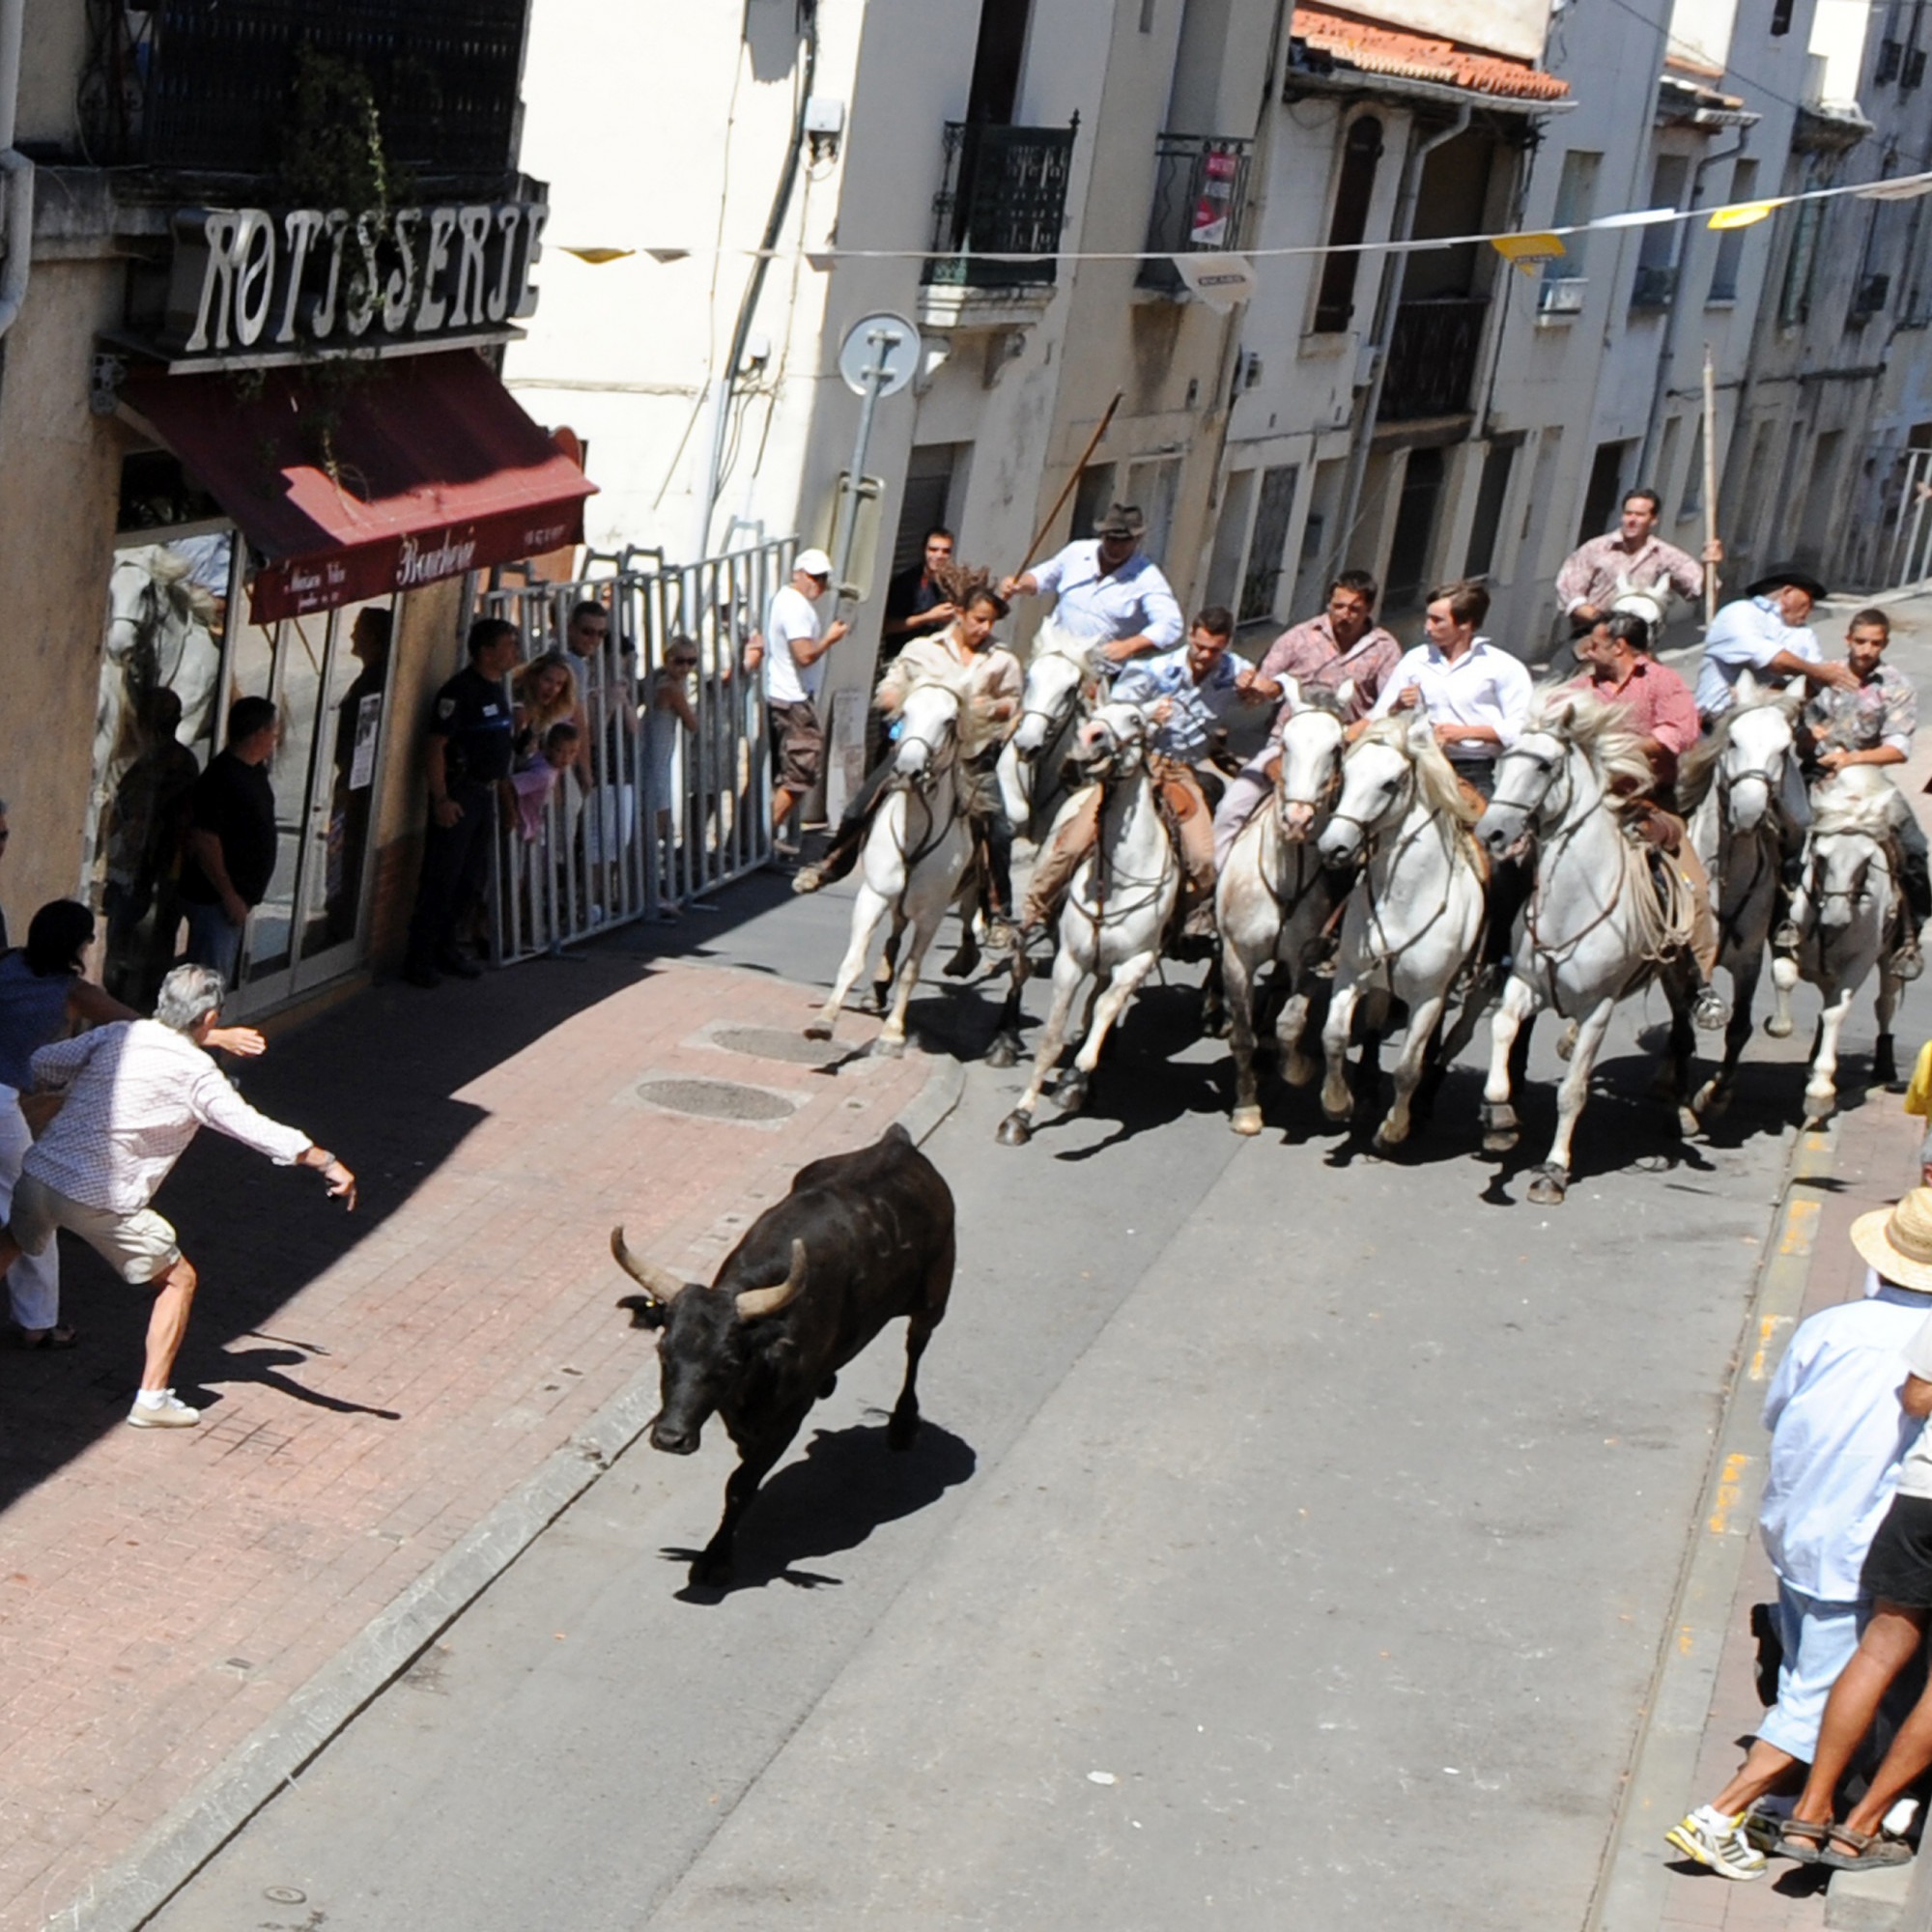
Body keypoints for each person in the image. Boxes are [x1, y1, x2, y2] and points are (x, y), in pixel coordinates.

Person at [1665, 1216, 1932, 1880]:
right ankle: (1721, 1812)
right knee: (1823, 1690)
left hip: (1796, 1523)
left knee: (1799, 1667)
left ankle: (1784, 1802)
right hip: (1859, 1541)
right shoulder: (1915, 1344)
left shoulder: (1830, 1326)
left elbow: (1778, 1409)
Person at [0, 962, 352, 1429]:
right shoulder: (197, 1075)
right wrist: (325, 1161)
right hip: (101, 1200)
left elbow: (43, 1064)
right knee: (177, 1281)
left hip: (40, 1176)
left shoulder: (119, 1035)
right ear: (208, 1019)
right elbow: (253, 1128)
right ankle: (152, 1399)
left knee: (13, 1242)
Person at [0, 901, 263, 1350]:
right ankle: (38, 1322)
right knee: (30, 1212)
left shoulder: (6, 963)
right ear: (75, 946)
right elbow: (142, 1027)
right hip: (1, 1103)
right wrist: (217, 1035)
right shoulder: (72, 991)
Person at [1775, 1192, 1932, 1875]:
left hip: (1921, 1498)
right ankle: (1862, 1826)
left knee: (1876, 1650)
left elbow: (1918, 1396)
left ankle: (1808, 1815)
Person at [793, 578, 1022, 916]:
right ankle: (832, 863)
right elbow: (891, 685)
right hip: (919, 747)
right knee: (861, 805)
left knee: (999, 828)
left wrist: (989, 707)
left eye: (990, 622)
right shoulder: (922, 650)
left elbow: (1013, 704)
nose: (985, 628)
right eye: (979, 619)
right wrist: (893, 698)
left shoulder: (1003, 660)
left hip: (970, 754)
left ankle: (999, 911)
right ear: (959, 613)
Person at [1021, 607, 1244, 946]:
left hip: (1181, 771)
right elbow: (1113, 716)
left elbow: (1276, 685)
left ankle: (1179, 919)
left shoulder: (1232, 671)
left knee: (1202, 860)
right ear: (1190, 637)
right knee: (1072, 845)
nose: (1204, 655)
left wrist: (1263, 687)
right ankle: (1032, 914)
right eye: (1199, 646)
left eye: (1214, 649)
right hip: (1136, 766)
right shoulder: (1150, 670)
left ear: (1225, 646)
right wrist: (1149, 714)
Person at [1566, 611, 1724, 1027]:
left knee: (1693, 892)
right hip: (1588, 801)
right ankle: (1498, 957)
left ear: (1619, 646)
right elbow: (1553, 718)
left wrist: (1620, 748)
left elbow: (1679, 733)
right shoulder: (1581, 686)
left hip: (1648, 803)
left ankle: (1698, 985)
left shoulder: (1662, 682)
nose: (1587, 650)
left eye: (1595, 643)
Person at [1215, 572, 1403, 866]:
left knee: (1368, 824)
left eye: (1354, 609)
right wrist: (1253, 688)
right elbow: (1264, 687)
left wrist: (1357, 731)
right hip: (1288, 746)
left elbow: (1389, 704)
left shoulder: (1384, 648)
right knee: (1232, 807)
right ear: (1329, 603)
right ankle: (1217, 881)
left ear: (1368, 609)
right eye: (1338, 606)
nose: (1344, 615)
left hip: (1347, 752)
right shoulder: (1300, 636)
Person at [1801, 608, 1929, 975]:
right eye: (1861, 641)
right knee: (1786, 830)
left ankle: (1908, 934)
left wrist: (1854, 758)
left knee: (1914, 847)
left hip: (1867, 777)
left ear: (1885, 644)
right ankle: (1780, 920)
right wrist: (1809, 738)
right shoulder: (1824, 676)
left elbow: (1898, 749)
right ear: (1847, 640)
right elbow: (1796, 721)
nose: (1867, 650)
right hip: (1816, 773)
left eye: (1875, 643)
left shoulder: (1895, 686)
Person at [404, 617, 520, 988]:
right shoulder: (460, 692)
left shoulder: (497, 690)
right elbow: (435, 746)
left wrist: (506, 802)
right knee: (442, 879)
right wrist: (442, 798)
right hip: (460, 795)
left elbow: (500, 754)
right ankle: (419, 958)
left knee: (470, 881)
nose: (515, 651)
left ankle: (447, 947)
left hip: (485, 796)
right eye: (508, 644)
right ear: (486, 652)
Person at [1362, 581, 1532, 798]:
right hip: (1415, 762)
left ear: (1465, 624)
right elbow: (1379, 715)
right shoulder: (1416, 660)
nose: (1427, 627)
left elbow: (1522, 727)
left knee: (1484, 827)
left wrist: (1464, 733)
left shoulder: (1502, 667)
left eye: (1437, 621)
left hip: (1471, 768)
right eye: (1427, 618)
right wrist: (1398, 706)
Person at [1001, 502, 1184, 667]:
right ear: (1102, 536)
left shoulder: (1147, 578)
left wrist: (1129, 646)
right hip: (1058, 655)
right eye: (1111, 539)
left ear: (1138, 540)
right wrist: (1020, 584)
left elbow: (1170, 624)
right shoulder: (1077, 551)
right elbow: (1042, 577)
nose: (1116, 547)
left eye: (1124, 541)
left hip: (1102, 667)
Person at [178, 696, 280, 985]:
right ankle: (202, 1030)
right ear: (258, 733)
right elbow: (205, 840)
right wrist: (229, 895)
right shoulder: (222, 777)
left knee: (214, 977)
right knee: (207, 984)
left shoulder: (253, 772)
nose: (275, 738)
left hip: (231, 899)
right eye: (273, 731)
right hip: (214, 901)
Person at [759, 548, 848, 857]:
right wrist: (830, 638)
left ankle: (759, 838)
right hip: (793, 701)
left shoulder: (789, 601)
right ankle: (761, 837)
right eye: (812, 577)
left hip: (789, 697)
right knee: (800, 774)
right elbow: (805, 655)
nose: (817, 585)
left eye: (822, 578)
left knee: (785, 774)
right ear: (798, 574)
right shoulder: (796, 607)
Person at [1694, 567, 1859, 724]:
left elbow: (1812, 684)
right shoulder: (1739, 613)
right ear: (1787, 593)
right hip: (1720, 721)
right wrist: (1820, 672)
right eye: (1808, 598)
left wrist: (1815, 677)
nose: (1811, 608)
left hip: (1774, 723)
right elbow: (1774, 660)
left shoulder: (1803, 633)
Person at [1556, 488, 1716, 632]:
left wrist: (1708, 565)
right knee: (1562, 664)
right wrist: (1592, 614)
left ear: (1653, 520)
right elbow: (1569, 586)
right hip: (1593, 633)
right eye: (1628, 513)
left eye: (1639, 515)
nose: (1632, 520)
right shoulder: (1595, 548)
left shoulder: (1666, 556)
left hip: (1639, 641)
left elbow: (1699, 589)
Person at [323, 609, 390, 946]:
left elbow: (365, 742)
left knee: (345, 855)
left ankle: (339, 924)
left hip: (357, 787)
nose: (352, 638)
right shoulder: (370, 679)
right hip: (353, 782)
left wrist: (352, 779)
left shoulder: (375, 684)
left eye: (358, 632)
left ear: (375, 640)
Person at [880, 527, 959, 661]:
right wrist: (929, 617)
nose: (939, 556)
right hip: (903, 657)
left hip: (936, 660)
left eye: (945, 551)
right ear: (923, 550)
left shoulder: (954, 585)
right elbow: (887, 626)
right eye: (933, 550)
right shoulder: (906, 583)